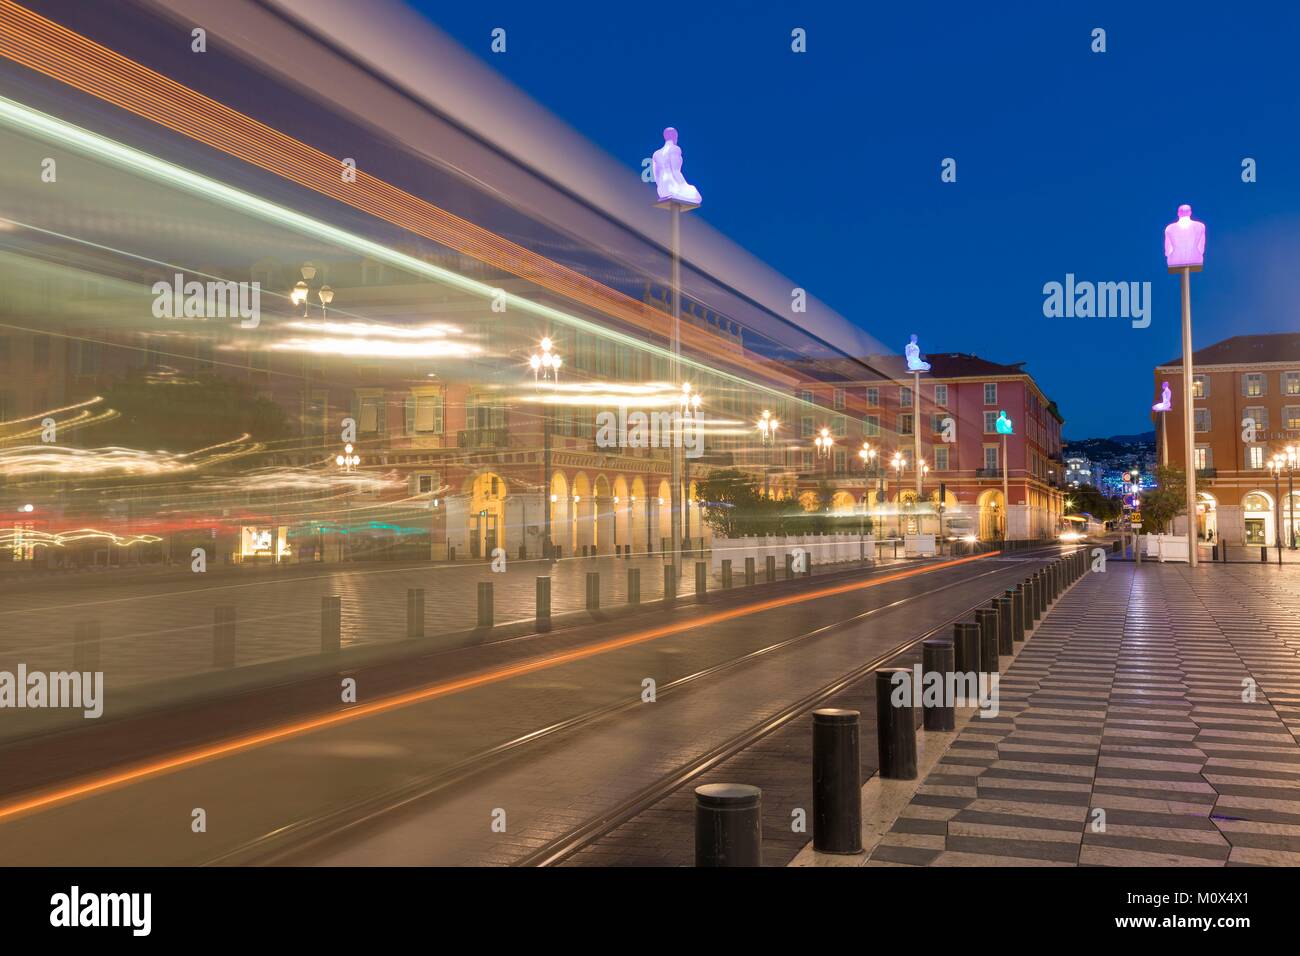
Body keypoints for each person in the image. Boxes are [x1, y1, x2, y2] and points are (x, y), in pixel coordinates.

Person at [651, 127, 702, 205]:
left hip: (661, 190)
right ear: (675, 137)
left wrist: (662, 188)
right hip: (673, 187)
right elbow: (676, 172)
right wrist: (684, 186)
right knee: (697, 197)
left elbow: (656, 177)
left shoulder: (656, 154)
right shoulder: (675, 149)